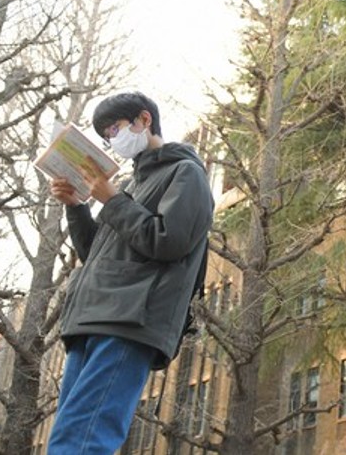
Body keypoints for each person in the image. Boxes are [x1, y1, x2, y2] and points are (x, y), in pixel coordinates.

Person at [47, 92, 214, 454]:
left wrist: (112, 200)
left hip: (130, 318)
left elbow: (168, 240)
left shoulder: (185, 172)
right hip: (92, 316)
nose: (112, 140)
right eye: (106, 136)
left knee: (82, 439)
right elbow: (96, 255)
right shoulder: (129, 185)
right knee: (67, 436)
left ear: (144, 119)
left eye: (115, 128)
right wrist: (76, 207)